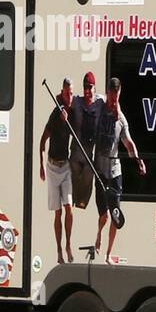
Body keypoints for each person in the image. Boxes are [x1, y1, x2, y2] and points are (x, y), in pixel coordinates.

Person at [93, 77, 145, 262]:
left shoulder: (121, 120)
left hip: (115, 171)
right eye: (111, 96)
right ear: (107, 92)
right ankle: (99, 233)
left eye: (117, 97)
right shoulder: (99, 105)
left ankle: (108, 253)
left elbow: (129, 143)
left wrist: (138, 160)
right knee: (104, 215)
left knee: (116, 214)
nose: (114, 100)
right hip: (100, 170)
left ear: (119, 93)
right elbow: (86, 99)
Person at [38, 77, 75, 263]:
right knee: (58, 212)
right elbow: (42, 141)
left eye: (71, 94)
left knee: (69, 207)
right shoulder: (55, 114)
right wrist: (41, 165)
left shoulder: (72, 111)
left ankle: (68, 244)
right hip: (53, 167)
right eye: (67, 93)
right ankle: (59, 249)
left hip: (66, 166)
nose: (70, 97)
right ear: (62, 92)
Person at [67, 71, 104, 211]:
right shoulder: (77, 101)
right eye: (85, 87)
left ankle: (82, 203)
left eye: (90, 87)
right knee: (74, 174)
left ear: (95, 88)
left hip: (88, 155)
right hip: (76, 153)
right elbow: (64, 99)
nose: (87, 91)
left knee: (89, 173)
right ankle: (73, 201)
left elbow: (113, 103)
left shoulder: (100, 102)